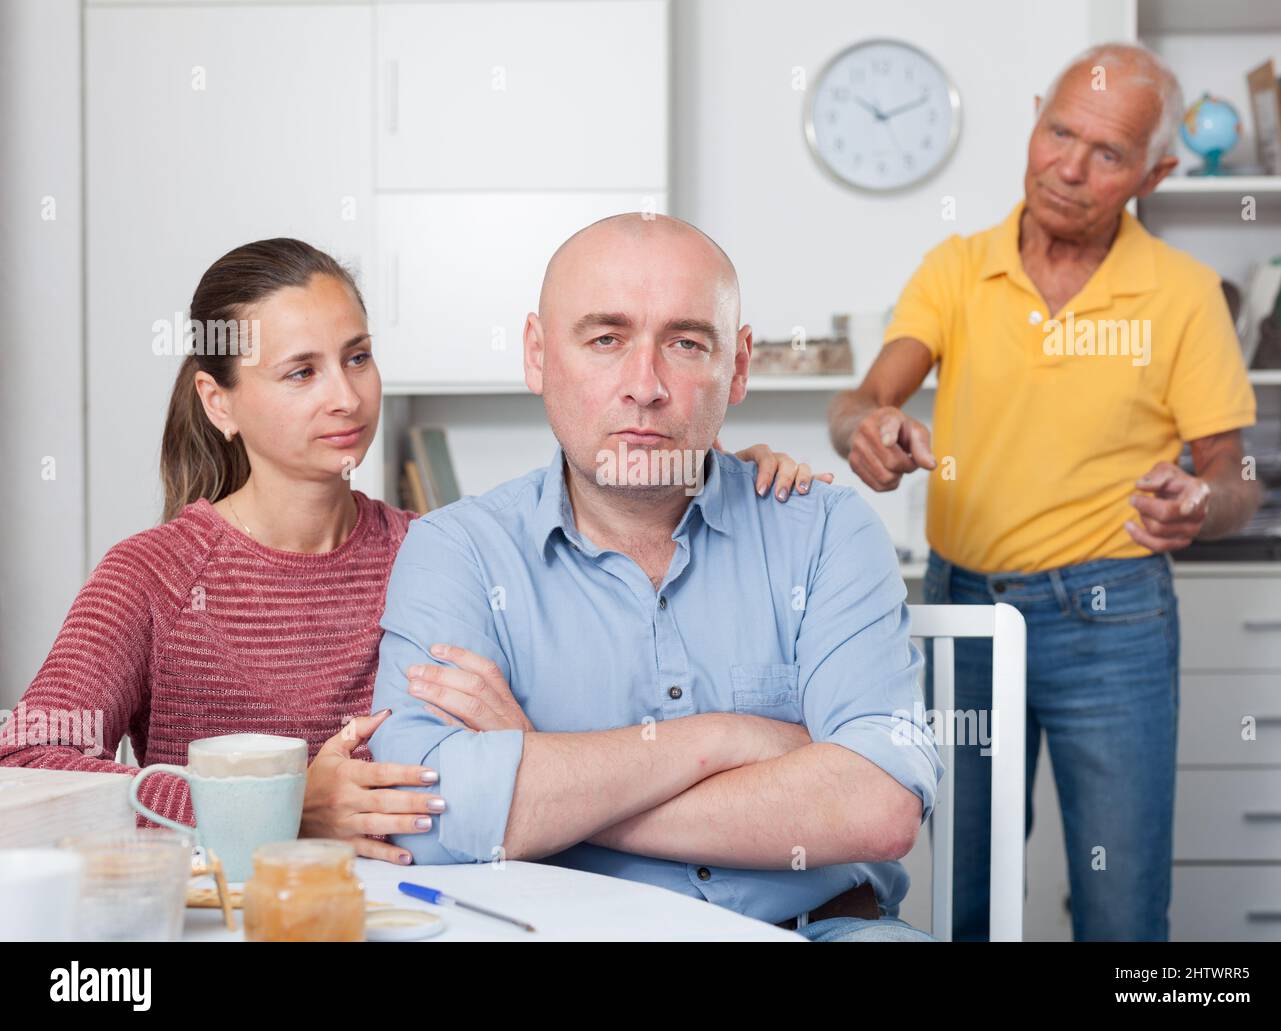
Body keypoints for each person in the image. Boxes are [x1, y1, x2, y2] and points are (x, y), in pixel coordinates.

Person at [0, 237, 817, 866]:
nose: (347, 396)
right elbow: (27, 762)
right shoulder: (154, 574)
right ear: (220, 402)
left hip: (421, 910)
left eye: (358, 356)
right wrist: (276, 805)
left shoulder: (434, 549)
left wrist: (713, 476)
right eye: (300, 372)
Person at [370, 212, 943, 941]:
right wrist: (731, 738)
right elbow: (423, 813)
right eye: (605, 338)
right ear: (538, 355)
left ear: (737, 367)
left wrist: (546, 774)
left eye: (685, 342)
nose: (645, 385)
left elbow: (878, 804)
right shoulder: (455, 550)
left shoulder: (828, 529)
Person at [828, 43, 1259, 941]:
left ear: (1156, 171)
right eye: (1060, 131)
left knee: (1123, 902)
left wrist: (1201, 502)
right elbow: (865, 401)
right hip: (968, 614)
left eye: (1108, 153)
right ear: (1034, 117)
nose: (1069, 166)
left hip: (1117, 624)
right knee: (968, 895)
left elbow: (1234, 475)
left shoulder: (1183, 294)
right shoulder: (958, 267)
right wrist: (867, 429)